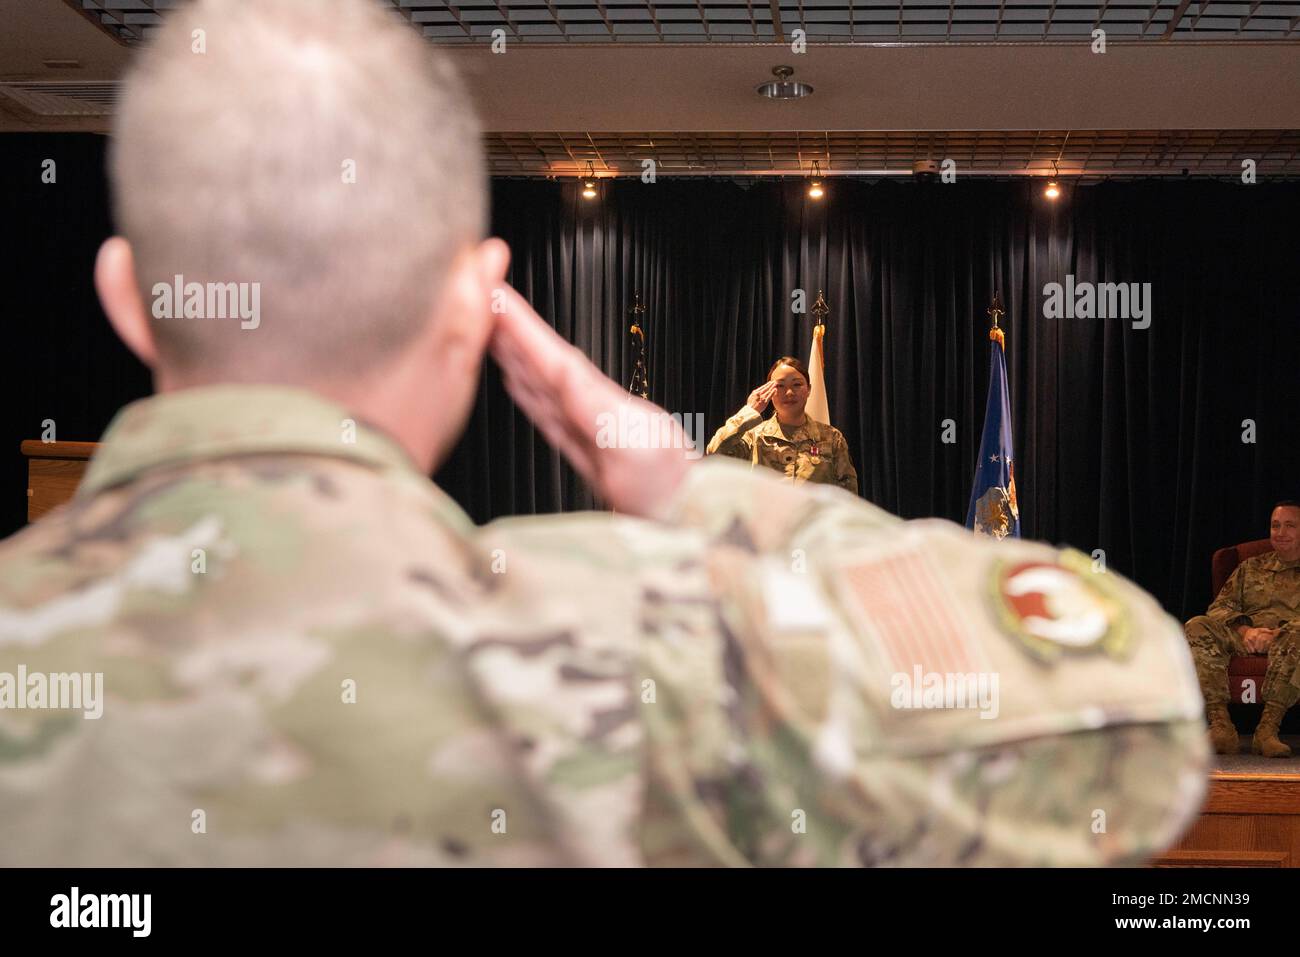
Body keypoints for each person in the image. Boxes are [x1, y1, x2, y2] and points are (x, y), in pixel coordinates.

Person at [0, 0, 1207, 867]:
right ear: (477, 303)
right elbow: (1134, 718)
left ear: (126, 292)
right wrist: (686, 493)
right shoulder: (631, 640)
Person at [1186, 501, 1300, 757]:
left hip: (1290, 640)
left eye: (1290, 525)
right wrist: (1245, 631)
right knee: (1197, 625)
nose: (1280, 532)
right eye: (1275, 525)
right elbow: (1218, 608)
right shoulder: (1250, 567)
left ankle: (1267, 731)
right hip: (1246, 638)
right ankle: (1220, 727)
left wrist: (1276, 634)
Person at [707, 357, 859, 494]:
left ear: (809, 389)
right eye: (780, 386)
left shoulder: (831, 438)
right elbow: (714, 453)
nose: (789, 392)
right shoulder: (753, 436)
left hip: (813, 524)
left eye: (797, 384)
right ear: (769, 391)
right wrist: (748, 411)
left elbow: (848, 494)